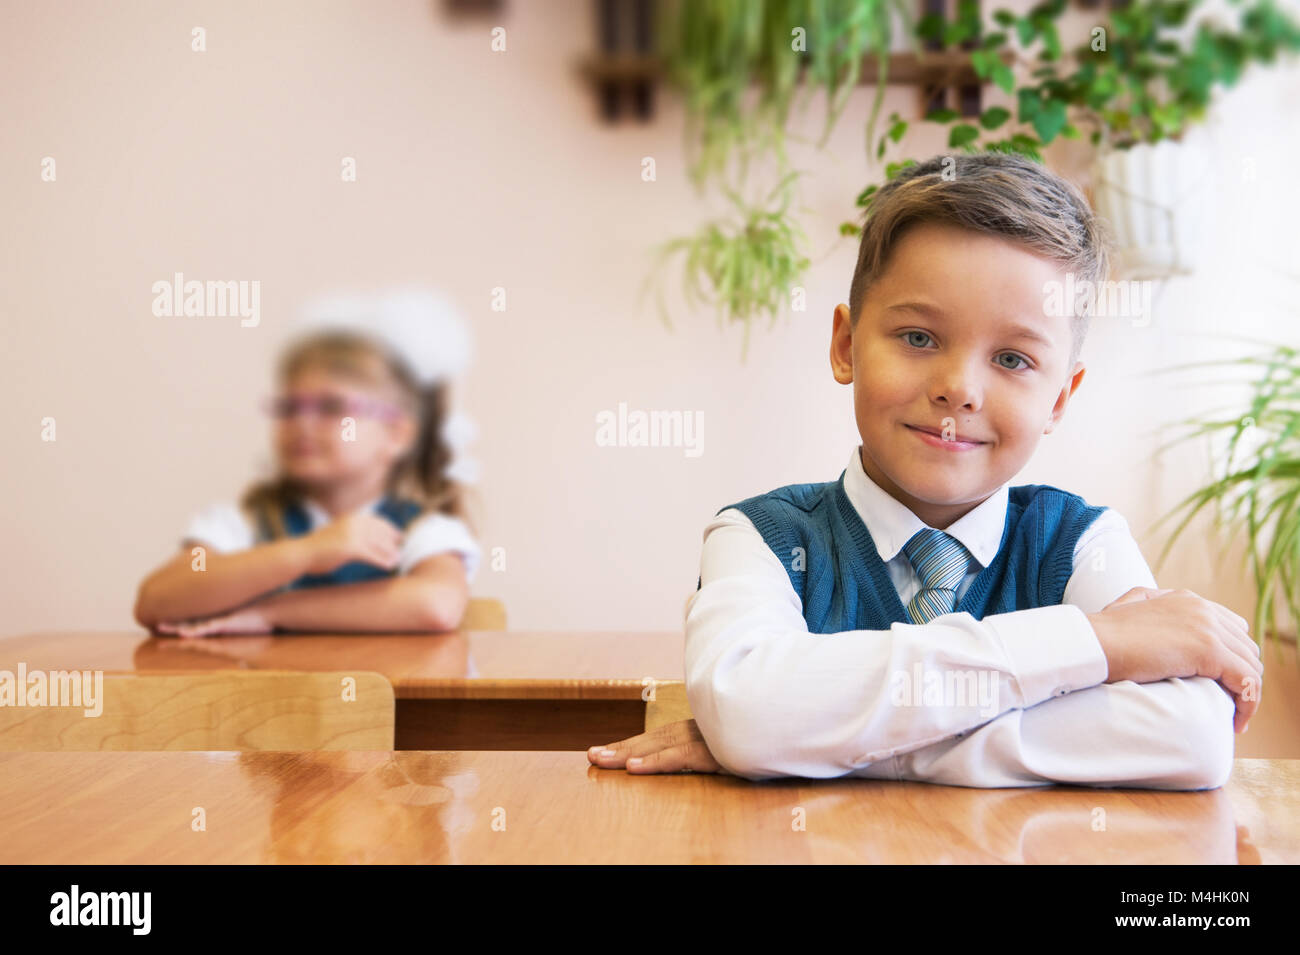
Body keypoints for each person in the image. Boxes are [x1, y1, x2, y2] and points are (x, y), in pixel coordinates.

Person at [589, 153, 1263, 788]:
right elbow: (750, 709)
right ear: (846, 344)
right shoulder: (759, 536)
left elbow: (1193, 737)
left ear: (1059, 398)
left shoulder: (1081, 541)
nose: (958, 389)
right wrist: (1094, 642)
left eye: (1013, 359)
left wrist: (826, 740)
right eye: (918, 337)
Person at [134, 290, 481, 635]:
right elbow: (157, 600)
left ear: (396, 434)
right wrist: (306, 553)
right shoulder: (241, 525)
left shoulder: (423, 531)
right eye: (289, 408)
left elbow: (436, 604)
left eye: (331, 408)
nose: (303, 423)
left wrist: (271, 612)